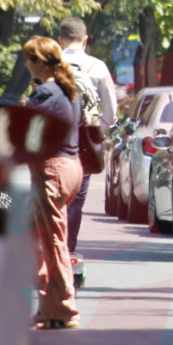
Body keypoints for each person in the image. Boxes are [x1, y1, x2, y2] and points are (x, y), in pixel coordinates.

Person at [22, 36, 85, 330]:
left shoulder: (45, 93)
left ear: (38, 62)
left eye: (28, 59)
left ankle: (65, 309)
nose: (25, 64)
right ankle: (49, 308)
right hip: (70, 169)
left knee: (52, 242)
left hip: (50, 171)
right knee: (41, 239)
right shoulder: (68, 90)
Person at [57, 17, 118, 255]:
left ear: (60, 40)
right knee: (77, 197)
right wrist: (100, 126)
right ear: (86, 40)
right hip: (85, 137)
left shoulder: (49, 64)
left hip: (55, 136)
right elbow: (111, 109)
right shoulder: (97, 67)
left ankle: (52, 247)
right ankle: (68, 250)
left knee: (54, 195)